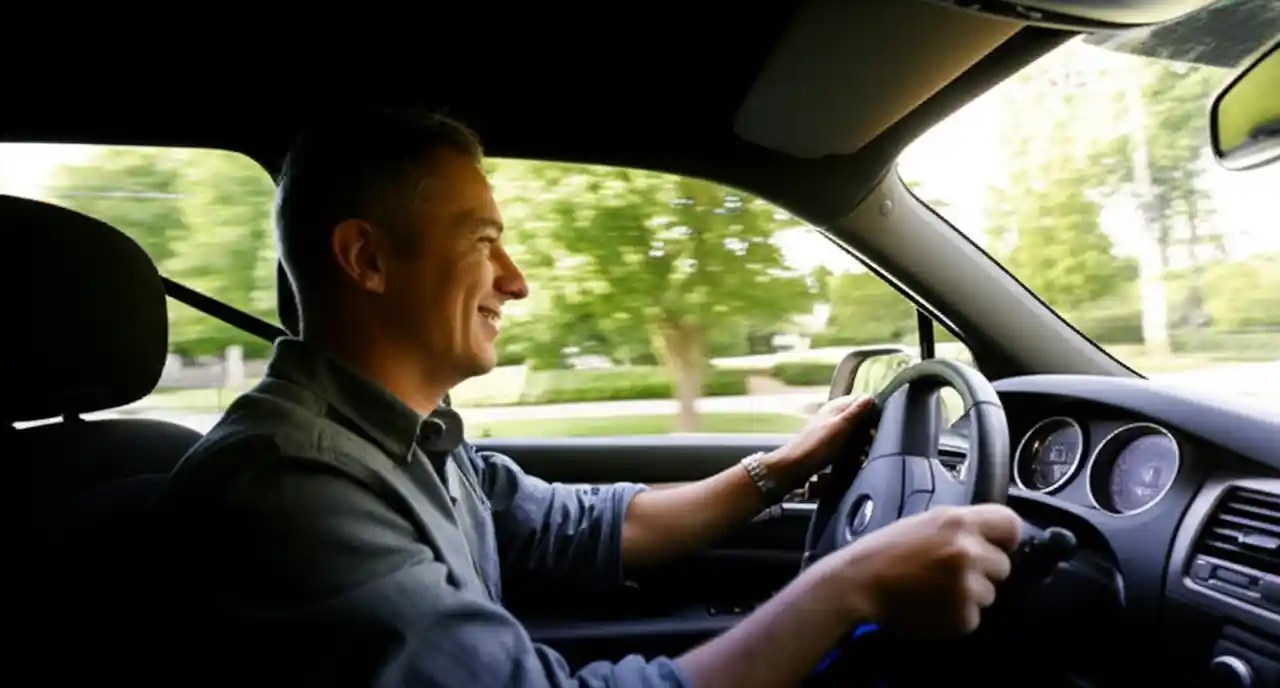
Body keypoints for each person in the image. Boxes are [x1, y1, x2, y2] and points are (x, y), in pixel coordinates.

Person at [158, 108, 1022, 687]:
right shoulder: (290, 486)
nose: (516, 281)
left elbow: (586, 526)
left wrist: (782, 466)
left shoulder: (404, 439)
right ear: (368, 261)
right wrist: (852, 586)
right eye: (483, 242)